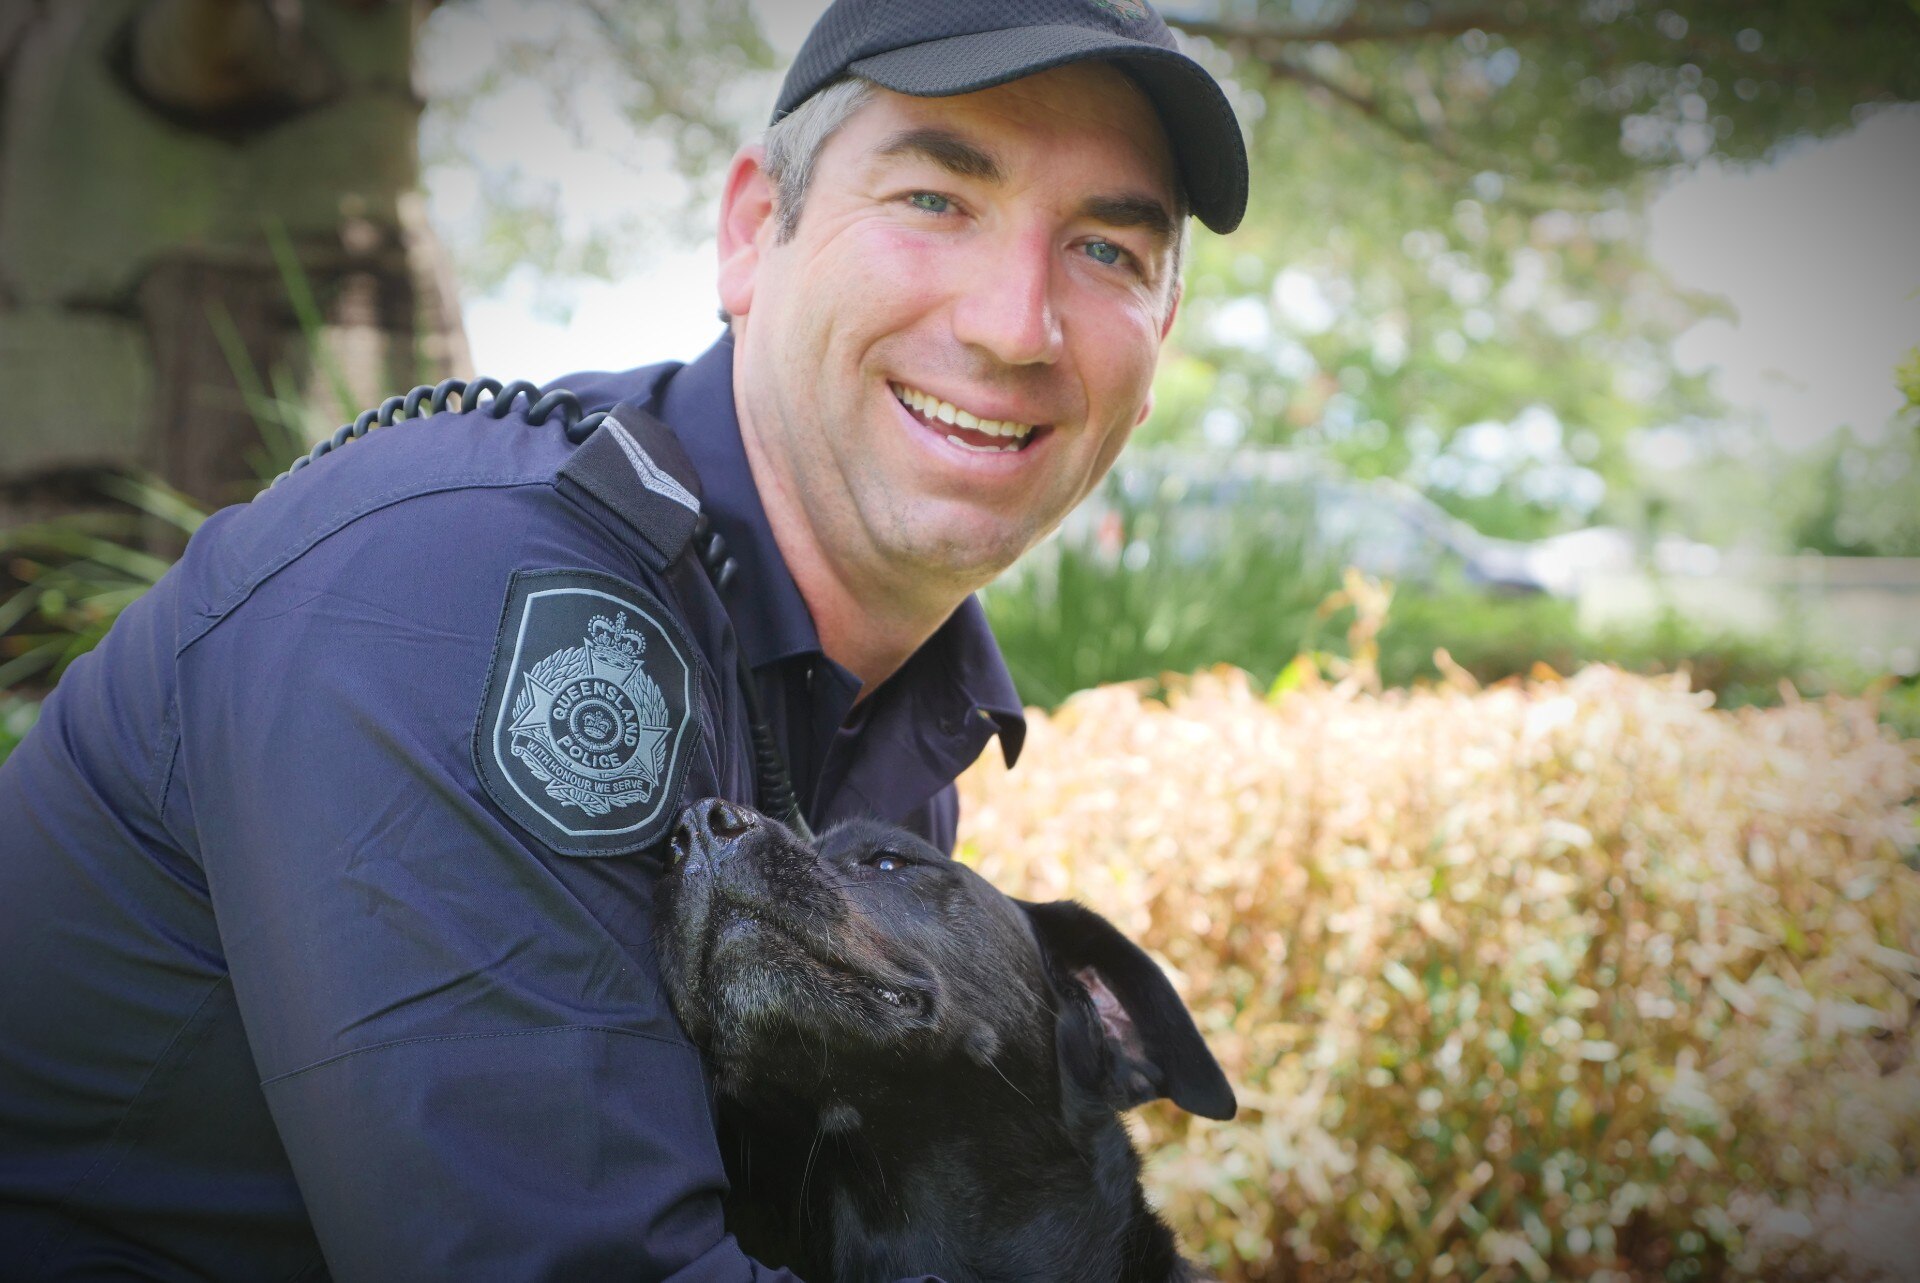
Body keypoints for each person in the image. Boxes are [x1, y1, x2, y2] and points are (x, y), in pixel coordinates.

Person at [0, 0, 1247, 1277]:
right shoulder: (480, 589)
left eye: (1106, 249)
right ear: (753, 230)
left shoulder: (887, 720)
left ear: (1157, 342)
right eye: (936, 198)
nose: (1015, 324)